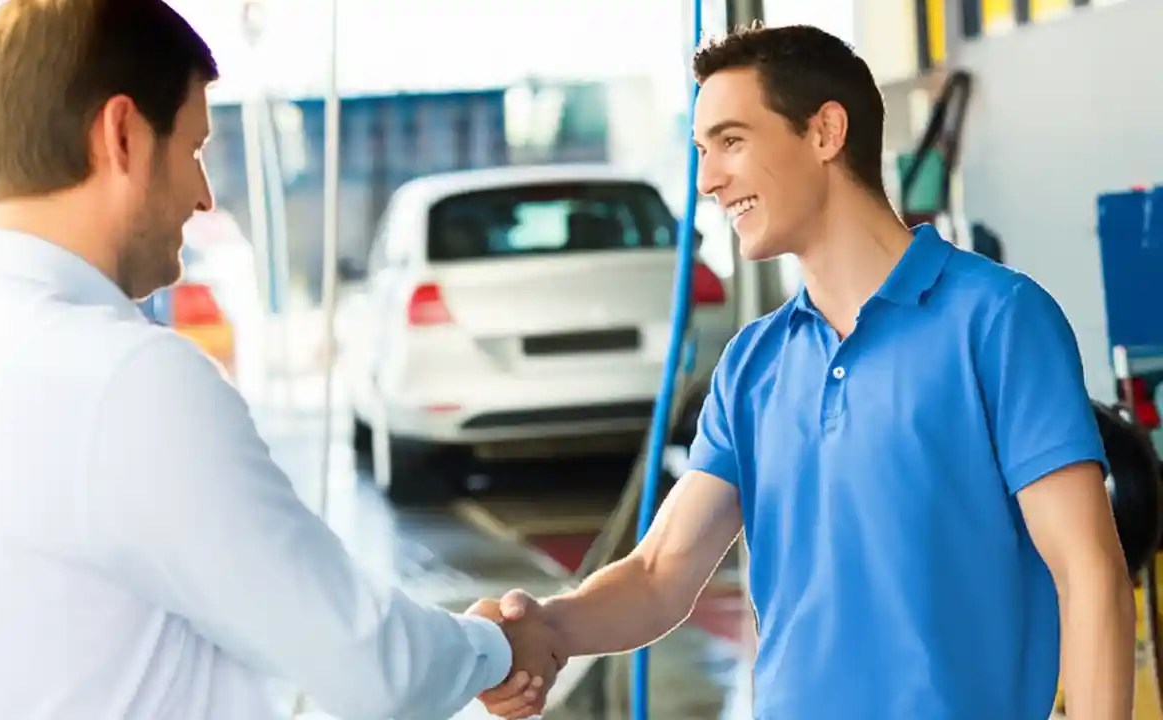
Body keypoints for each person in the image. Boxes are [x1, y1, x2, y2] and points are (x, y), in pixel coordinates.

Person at [0, 1, 561, 718]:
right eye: (194, 149)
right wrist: (495, 646)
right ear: (122, 134)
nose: (203, 197)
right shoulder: (128, 380)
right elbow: (369, 665)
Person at [477, 23, 1136, 720]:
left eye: (732, 141)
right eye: (702, 151)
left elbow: (1088, 572)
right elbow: (658, 574)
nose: (708, 180)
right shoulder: (753, 365)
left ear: (825, 132)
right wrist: (548, 627)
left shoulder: (996, 319)